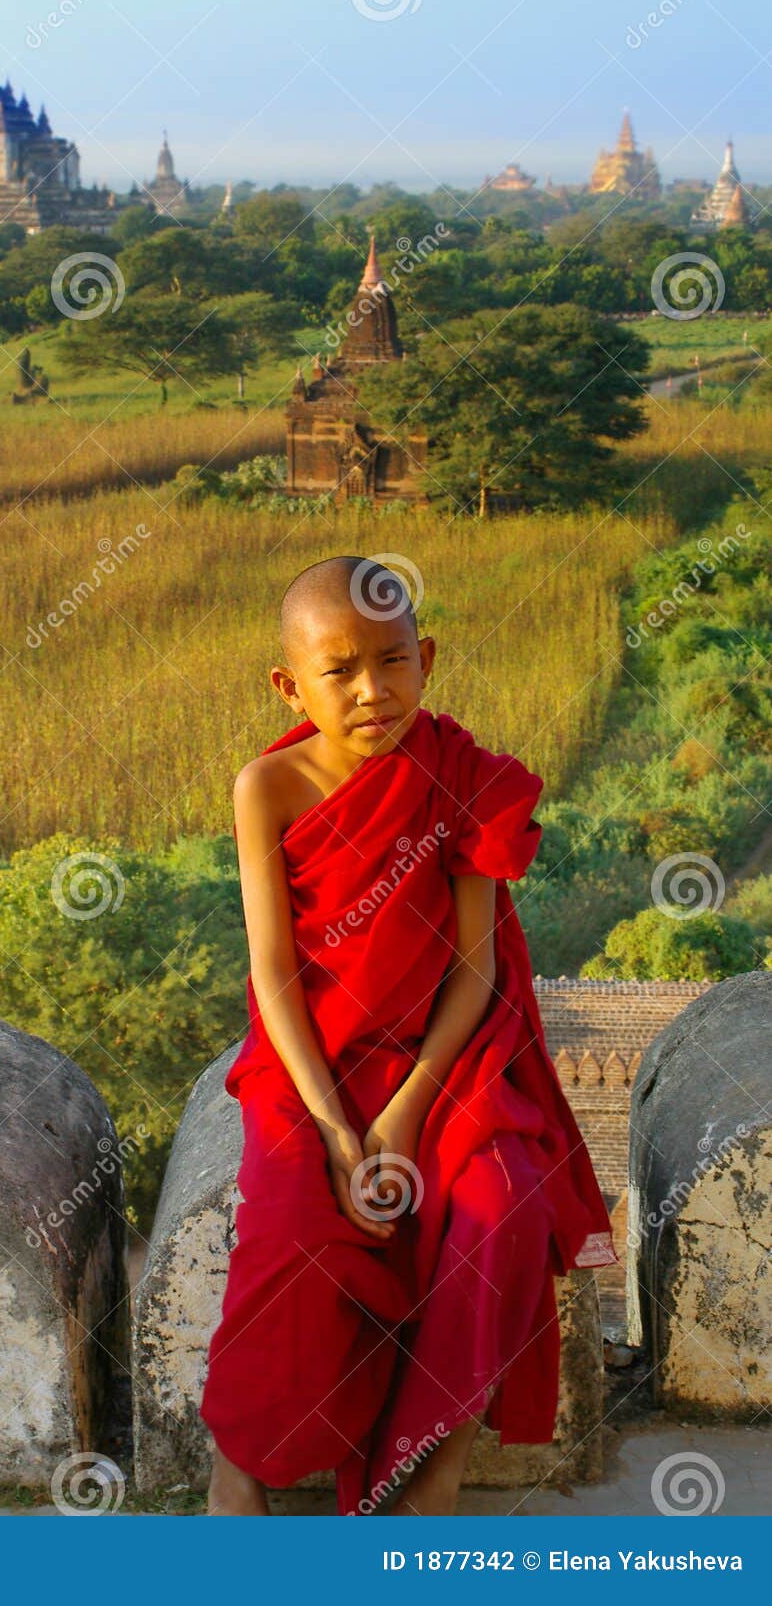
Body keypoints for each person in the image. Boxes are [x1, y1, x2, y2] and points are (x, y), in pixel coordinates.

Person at [199, 554, 617, 1517]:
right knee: (294, 1231)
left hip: (447, 1057)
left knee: (498, 1208)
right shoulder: (266, 788)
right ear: (289, 685)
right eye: (338, 670)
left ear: (424, 657)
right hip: (312, 1064)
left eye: (392, 661)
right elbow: (273, 975)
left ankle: (430, 1479)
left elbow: (473, 973)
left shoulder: (462, 775)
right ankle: (241, 1470)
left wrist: (400, 1119)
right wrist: (343, 1134)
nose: (372, 691)